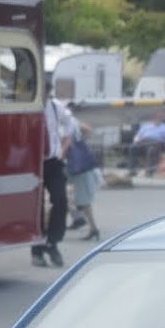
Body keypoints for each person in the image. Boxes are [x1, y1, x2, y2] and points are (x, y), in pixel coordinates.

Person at [33, 97, 71, 268]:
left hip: (53, 161)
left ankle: (52, 241)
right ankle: (37, 248)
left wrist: (63, 149)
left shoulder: (56, 107)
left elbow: (69, 125)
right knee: (36, 206)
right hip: (33, 162)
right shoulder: (29, 105)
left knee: (61, 200)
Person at [65, 116, 102, 241]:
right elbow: (87, 130)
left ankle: (93, 227)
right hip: (77, 165)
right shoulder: (73, 122)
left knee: (82, 199)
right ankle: (89, 225)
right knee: (78, 197)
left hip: (75, 165)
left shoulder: (65, 123)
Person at [128, 111, 165, 178]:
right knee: (133, 147)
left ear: (161, 119)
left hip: (155, 142)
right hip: (143, 141)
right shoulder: (146, 125)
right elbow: (138, 135)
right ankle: (132, 170)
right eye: (156, 117)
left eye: (159, 117)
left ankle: (149, 171)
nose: (157, 119)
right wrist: (136, 140)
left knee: (151, 151)